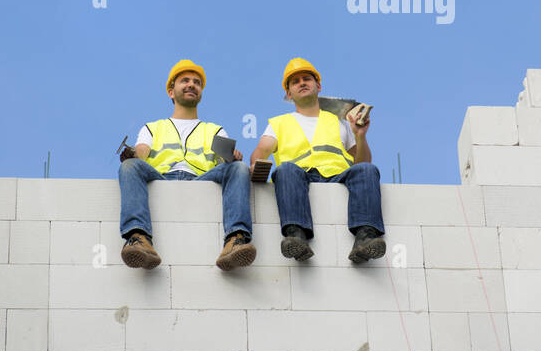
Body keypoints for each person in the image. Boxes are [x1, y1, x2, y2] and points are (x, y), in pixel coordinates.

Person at [118, 59, 256, 271]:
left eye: (197, 82)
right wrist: (132, 154)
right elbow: (142, 152)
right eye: (185, 81)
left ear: (200, 93)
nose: (192, 85)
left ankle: (235, 240)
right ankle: (139, 238)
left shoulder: (215, 130)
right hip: (162, 177)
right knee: (129, 167)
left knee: (239, 168)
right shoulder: (152, 128)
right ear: (171, 92)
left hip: (200, 179)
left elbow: (223, 162)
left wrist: (232, 158)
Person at [250, 58, 386, 264]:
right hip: (299, 178)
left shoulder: (340, 121)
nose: (302, 83)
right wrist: (257, 163)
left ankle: (365, 238)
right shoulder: (279, 123)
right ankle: (296, 236)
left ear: (318, 86)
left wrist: (360, 136)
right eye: (295, 82)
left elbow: (363, 163)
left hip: (337, 176)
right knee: (285, 169)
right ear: (288, 93)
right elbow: (262, 148)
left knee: (368, 171)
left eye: (307, 79)